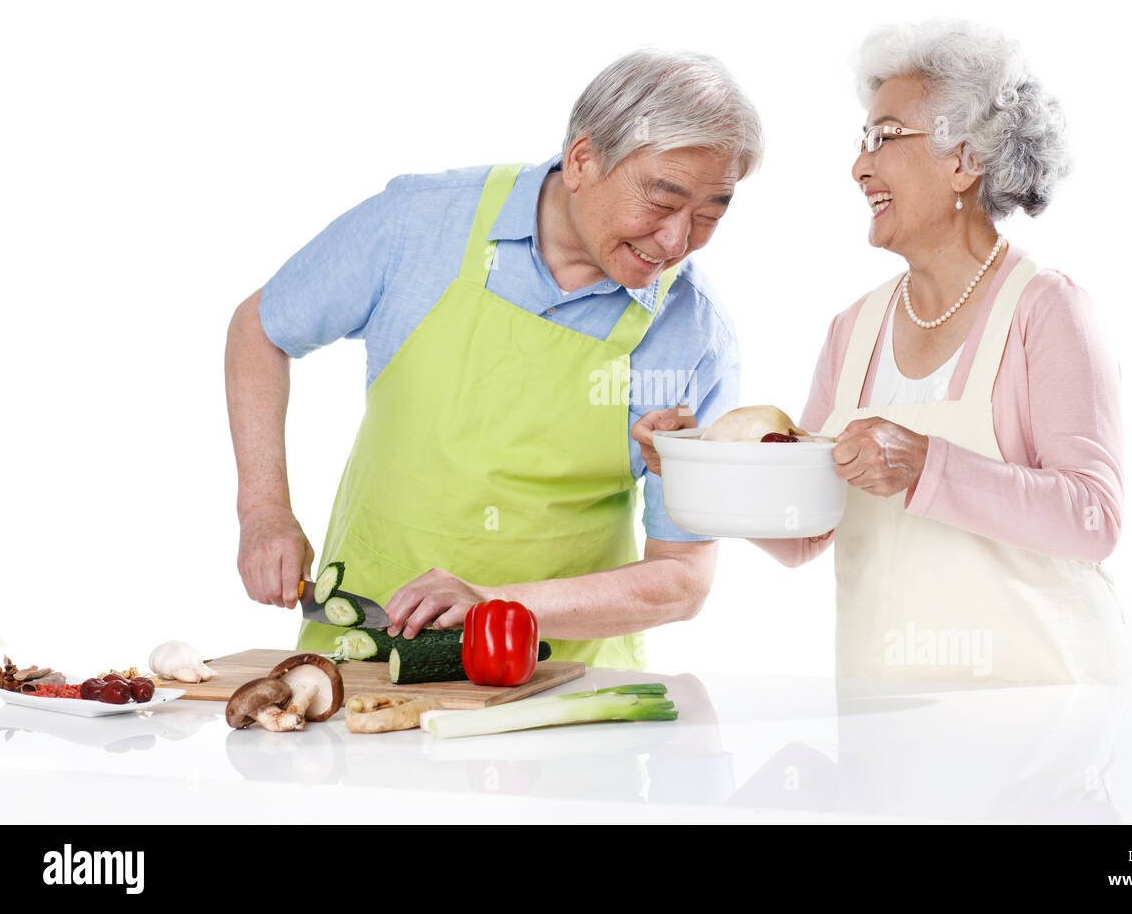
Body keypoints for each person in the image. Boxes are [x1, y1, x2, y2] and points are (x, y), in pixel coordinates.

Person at [225, 49, 762, 668]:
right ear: (583, 159)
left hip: (563, 685)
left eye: (706, 216)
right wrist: (263, 509)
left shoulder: (692, 330)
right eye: (662, 203)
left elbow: (682, 578)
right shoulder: (420, 226)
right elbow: (261, 329)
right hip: (366, 657)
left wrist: (497, 603)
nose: (676, 242)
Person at [636, 20, 1131, 686]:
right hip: (885, 725)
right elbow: (805, 531)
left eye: (883, 137)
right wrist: (696, 465)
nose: (859, 166)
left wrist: (927, 464)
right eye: (861, 142)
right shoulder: (854, 330)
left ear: (966, 157)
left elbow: (1094, 519)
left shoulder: (1047, 310)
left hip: (1034, 729)